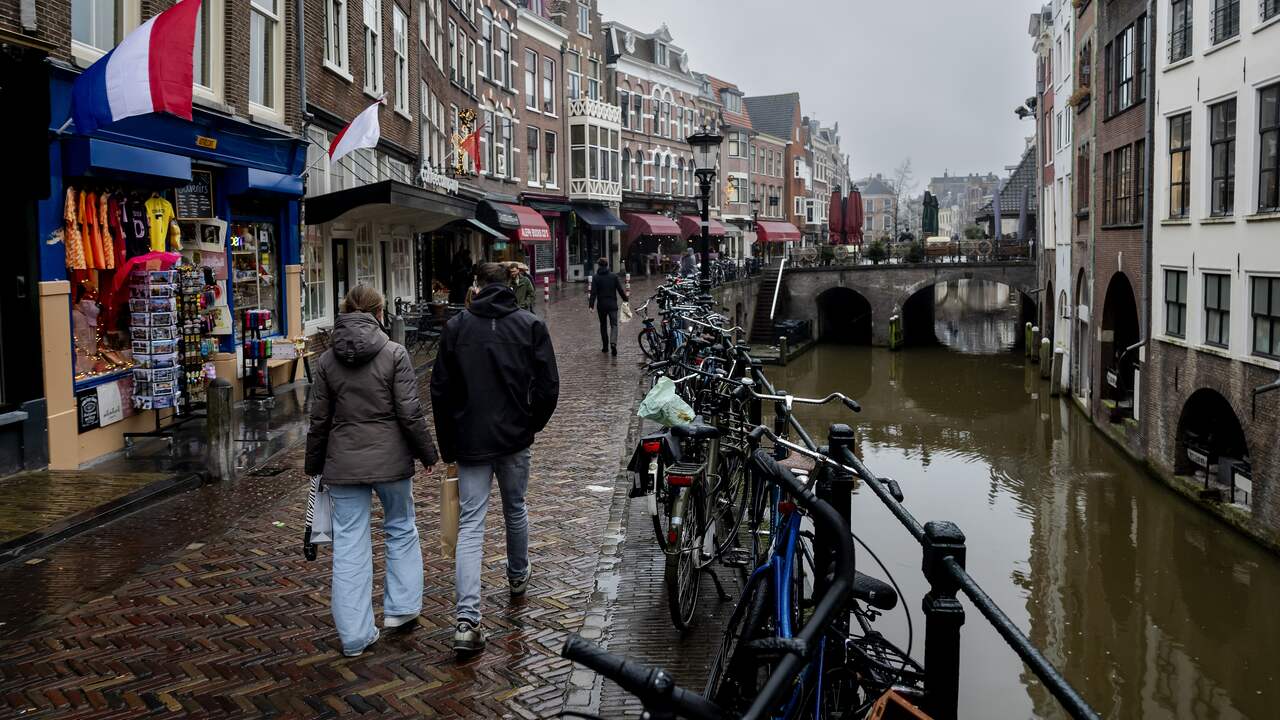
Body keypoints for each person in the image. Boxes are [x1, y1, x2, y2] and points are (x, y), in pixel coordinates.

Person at [431, 262, 560, 656]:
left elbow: (440, 391)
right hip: (514, 438)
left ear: (477, 285)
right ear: (509, 283)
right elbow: (549, 386)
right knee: (515, 508)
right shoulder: (529, 325)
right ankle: (518, 576)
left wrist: (449, 444)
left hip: (470, 441)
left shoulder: (457, 328)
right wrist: (530, 424)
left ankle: (467, 620)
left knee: (471, 524)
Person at [305, 285, 439, 658]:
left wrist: (314, 465)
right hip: (391, 461)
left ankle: (354, 635)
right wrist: (427, 454)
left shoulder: (326, 361)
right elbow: (409, 412)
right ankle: (401, 609)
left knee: (349, 543)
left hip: (343, 463)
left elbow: (319, 420)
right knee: (401, 528)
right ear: (379, 312)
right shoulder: (394, 353)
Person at [588, 257, 628, 356]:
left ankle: (605, 347)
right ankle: (613, 343)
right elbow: (620, 290)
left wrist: (591, 305)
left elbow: (593, 293)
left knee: (603, 326)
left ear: (599, 266)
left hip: (601, 306)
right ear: (607, 265)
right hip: (612, 305)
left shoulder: (596, 277)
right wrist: (625, 299)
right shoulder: (613, 276)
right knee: (614, 325)